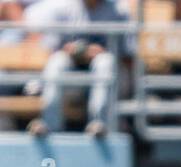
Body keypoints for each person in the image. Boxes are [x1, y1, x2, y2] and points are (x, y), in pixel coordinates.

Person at [24, 0, 126, 135]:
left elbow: (126, 56)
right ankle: (50, 126)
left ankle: (99, 124)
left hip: (107, 76)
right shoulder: (63, 8)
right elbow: (51, 48)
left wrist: (101, 51)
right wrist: (72, 49)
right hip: (71, 75)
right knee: (57, 60)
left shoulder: (118, 11)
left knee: (105, 61)